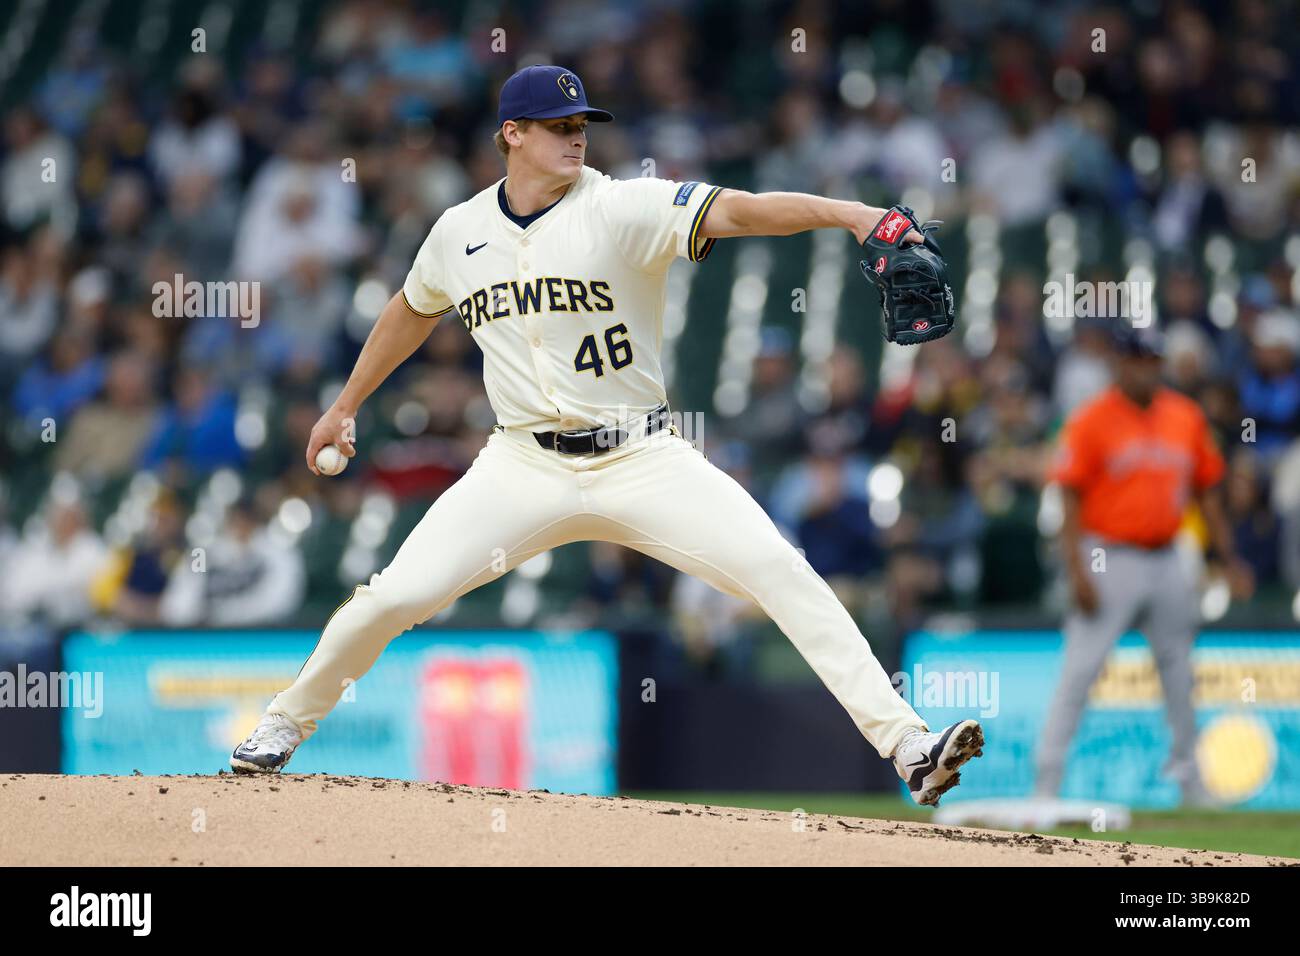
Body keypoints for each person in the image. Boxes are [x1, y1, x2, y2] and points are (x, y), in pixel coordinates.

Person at [230, 65, 983, 806]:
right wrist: (346, 404)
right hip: (521, 463)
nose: (575, 137)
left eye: (582, 124)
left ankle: (909, 747)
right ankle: (281, 725)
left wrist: (854, 216)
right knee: (394, 596)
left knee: (778, 569)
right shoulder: (458, 232)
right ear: (512, 135)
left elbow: (746, 211)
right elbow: (409, 310)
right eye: (558, 126)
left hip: (642, 456)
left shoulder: (623, 208)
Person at [1035, 324, 1254, 806]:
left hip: (1169, 554)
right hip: (1108, 555)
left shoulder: (1185, 416)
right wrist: (1075, 569)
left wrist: (1229, 557)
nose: (1147, 368)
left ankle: (1192, 785)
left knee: (1179, 674)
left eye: (1154, 360)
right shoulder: (1091, 419)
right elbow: (1067, 501)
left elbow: (1207, 492)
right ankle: (1046, 783)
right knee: (1081, 670)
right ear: (1119, 363)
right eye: (1138, 360)